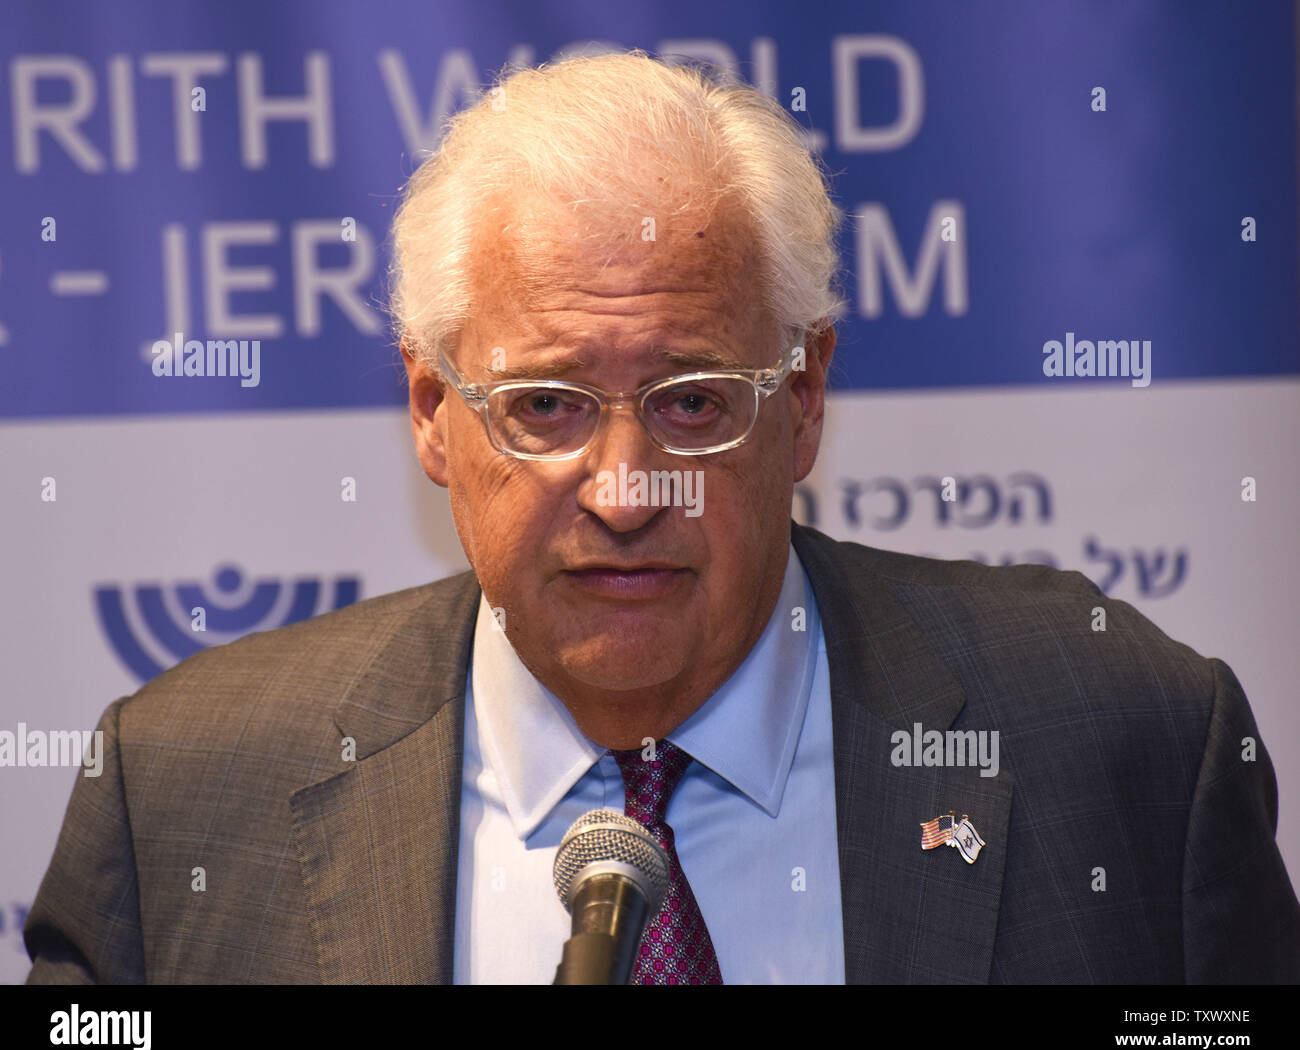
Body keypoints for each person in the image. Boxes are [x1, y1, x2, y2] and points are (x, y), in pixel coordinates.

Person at [24, 50, 1300, 984]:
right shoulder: (183, 791)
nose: (626, 490)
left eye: (694, 404)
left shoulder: (1118, 738)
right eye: (545, 406)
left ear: (803, 400)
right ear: (430, 409)